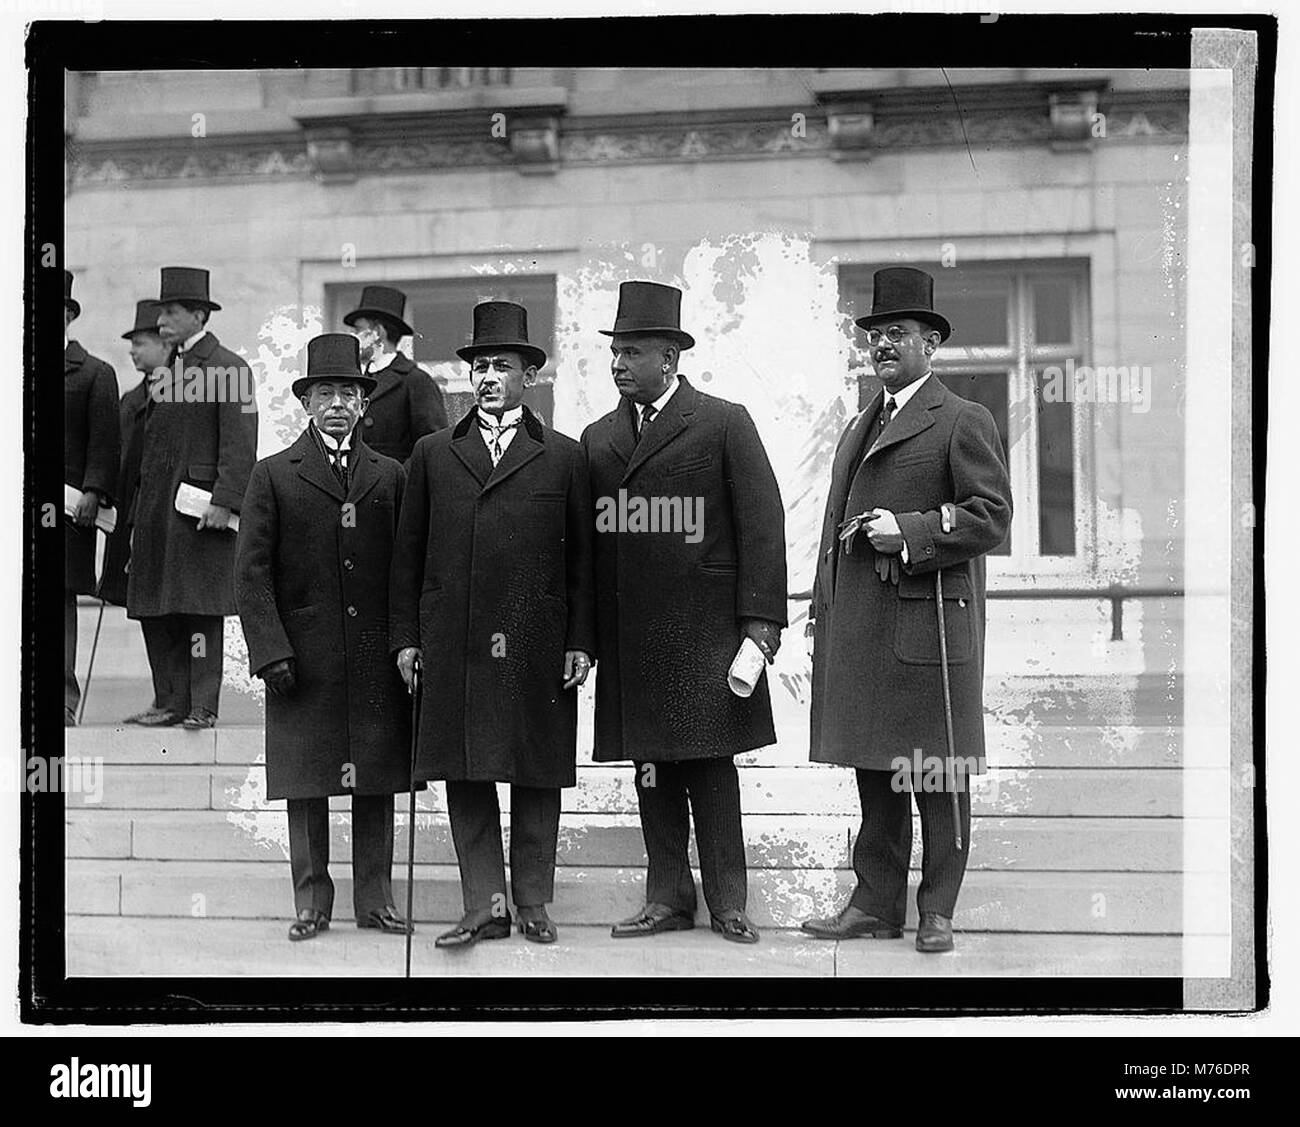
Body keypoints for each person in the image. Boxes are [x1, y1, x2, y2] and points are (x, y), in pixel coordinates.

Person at [804, 266, 1012, 953]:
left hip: (930, 635)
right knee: (876, 772)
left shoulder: (961, 419)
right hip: (863, 631)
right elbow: (835, 522)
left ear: (931, 344)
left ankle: (937, 909)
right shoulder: (861, 424)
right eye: (876, 335)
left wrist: (913, 530)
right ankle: (875, 903)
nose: (884, 345)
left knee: (936, 773)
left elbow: (991, 516)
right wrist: (820, 609)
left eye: (898, 333)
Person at [580, 281, 787, 945]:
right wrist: (585, 638)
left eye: (632, 351)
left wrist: (761, 626)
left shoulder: (723, 421)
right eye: (614, 351)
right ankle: (667, 895)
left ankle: (728, 902)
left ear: (669, 358)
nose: (618, 363)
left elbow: (763, 524)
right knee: (651, 770)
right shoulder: (598, 438)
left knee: (709, 768)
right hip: (633, 634)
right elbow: (588, 548)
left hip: (707, 632)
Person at [390, 301, 595, 948]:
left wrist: (582, 641)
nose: (486, 376)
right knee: (465, 770)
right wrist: (406, 638)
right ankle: (485, 901)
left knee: (536, 770)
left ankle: (532, 901)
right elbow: (407, 556)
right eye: (479, 365)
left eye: (501, 365)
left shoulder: (564, 456)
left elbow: (585, 562)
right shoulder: (432, 453)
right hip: (457, 641)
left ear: (527, 376)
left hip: (537, 644)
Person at [235, 333, 414, 942]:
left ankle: (376, 900)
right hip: (301, 660)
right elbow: (251, 575)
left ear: (364, 404)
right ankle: (312, 902)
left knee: (376, 779)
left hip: (373, 659)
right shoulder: (272, 476)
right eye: (324, 393)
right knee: (307, 784)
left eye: (348, 393)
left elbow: (406, 568)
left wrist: (404, 644)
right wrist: (271, 651)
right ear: (307, 403)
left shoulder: (390, 475)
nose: (337, 403)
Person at [125, 267, 258, 729]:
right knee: (157, 607)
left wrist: (226, 500)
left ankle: (202, 704)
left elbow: (239, 444)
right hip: (159, 511)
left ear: (198, 314)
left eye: (172, 311)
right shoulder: (170, 371)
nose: (161, 320)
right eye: (161, 311)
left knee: (200, 609)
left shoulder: (229, 367)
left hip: (200, 512)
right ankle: (168, 701)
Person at [63, 270, 121, 726]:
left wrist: (93, 490)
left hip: (66, 512)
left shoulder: (94, 373)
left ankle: (62, 699)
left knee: (59, 600)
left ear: (67, 316)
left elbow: (105, 442)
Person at [99, 300, 169, 609]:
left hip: (164, 515)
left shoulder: (185, 392)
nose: (132, 350)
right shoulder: (129, 401)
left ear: (163, 343)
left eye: (139, 343)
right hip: (128, 512)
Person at [342, 284, 447, 462]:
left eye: (358, 329)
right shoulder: (359, 382)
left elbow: (434, 449)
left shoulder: (415, 381)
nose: (353, 336)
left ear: (377, 333)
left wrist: (399, 481)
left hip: (396, 486)